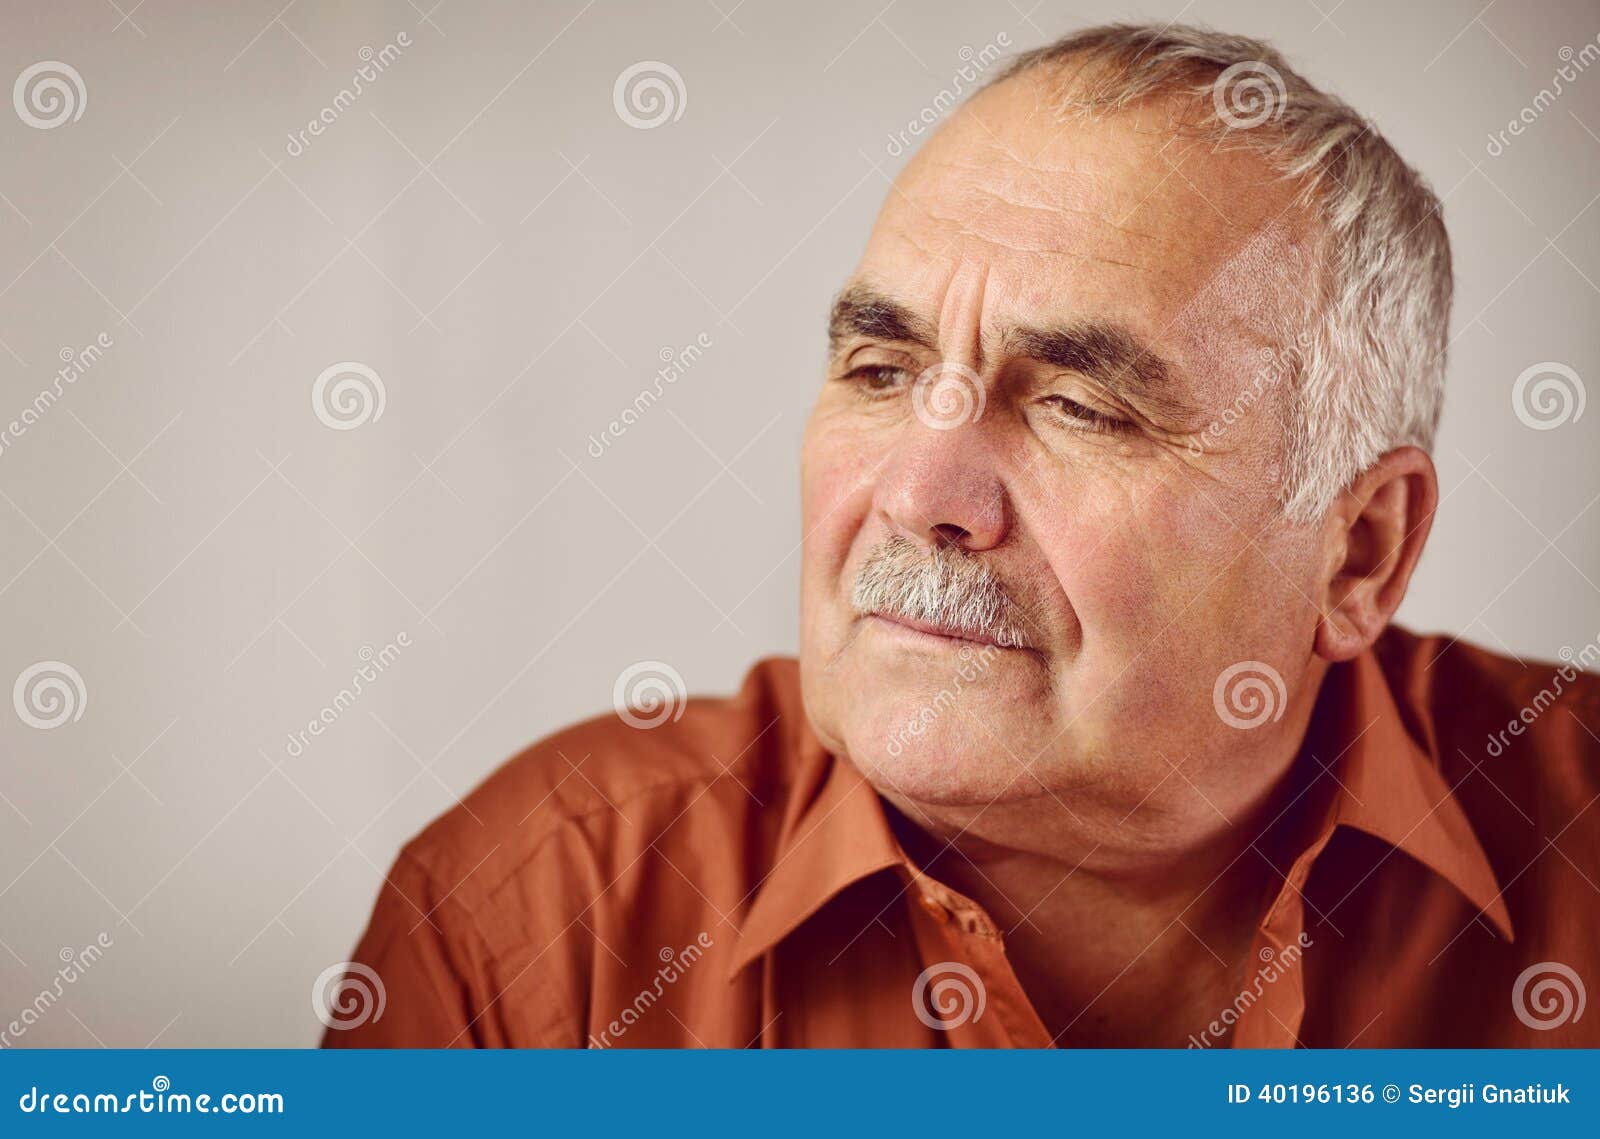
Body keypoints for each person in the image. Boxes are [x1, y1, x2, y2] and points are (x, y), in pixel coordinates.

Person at [323, 22, 1600, 1048]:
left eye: (1080, 405)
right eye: (880, 369)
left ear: (1359, 548)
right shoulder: (546, 920)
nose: (922, 491)